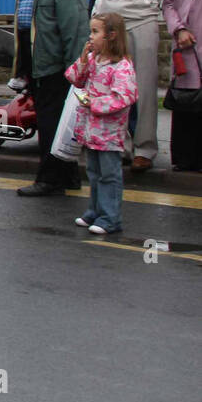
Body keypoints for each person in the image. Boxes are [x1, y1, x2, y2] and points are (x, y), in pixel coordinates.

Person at [11, 0, 89, 196]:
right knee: (50, 118)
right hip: (36, 60)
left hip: (56, 62)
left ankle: (49, 179)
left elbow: (75, 23)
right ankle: (67, 176)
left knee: (51, 121)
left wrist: (74, 68)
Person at [92, 0, 169, 171]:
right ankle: (119, 145)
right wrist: (97, 18)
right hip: (110, 22)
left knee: (144, 88)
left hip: (141, 20)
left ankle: (145, 149)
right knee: (111, 85)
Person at [65, 12, 137, 235]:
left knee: (109, 175)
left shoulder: (122, 67)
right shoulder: (95, 61)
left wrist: (94, 103)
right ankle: (95, 211)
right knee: (94, 173)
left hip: (109, 134)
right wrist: (83, 59)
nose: (91, 36)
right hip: (92, 132)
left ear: (111, 36)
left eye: (96, 32)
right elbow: (74, 77)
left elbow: (125, 97)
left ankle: (110, 217)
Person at [163, 0, 202, 171]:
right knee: (185, 101)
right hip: (184, 45)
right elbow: (168, 3)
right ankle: (182, 157)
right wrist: (178, 28)